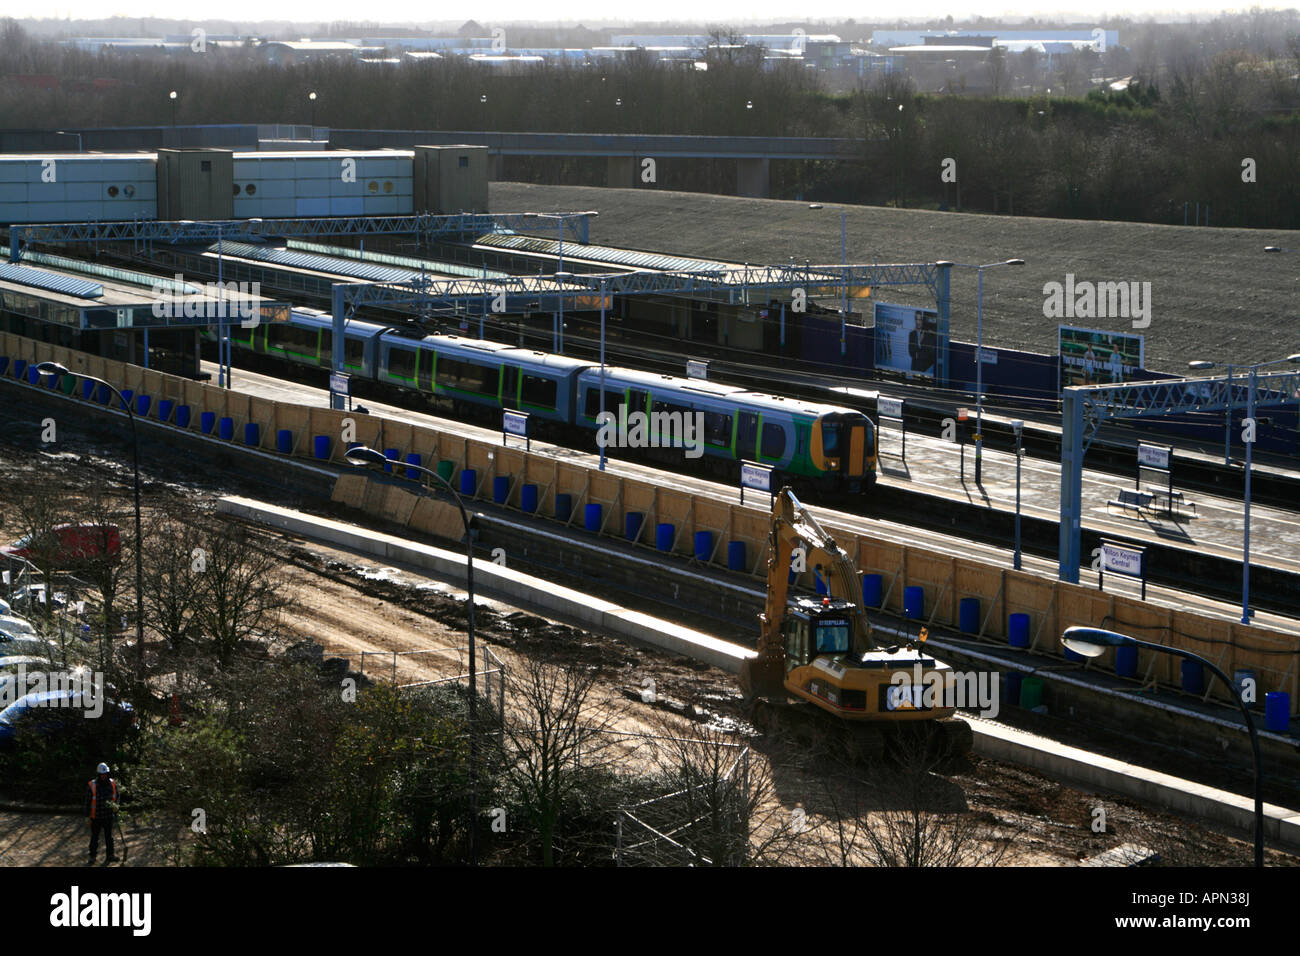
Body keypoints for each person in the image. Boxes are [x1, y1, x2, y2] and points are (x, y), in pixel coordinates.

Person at [85, 762, 118, 865]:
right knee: (95, 837)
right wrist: (87, 816)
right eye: (102, 774)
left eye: (105, 774)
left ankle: (110, 855)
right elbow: (87, 801)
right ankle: (92, 856)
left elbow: (117, 796)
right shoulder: (92, 785)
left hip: (108, 816)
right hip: (96, 817)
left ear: (108, 773)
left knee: (109, 837)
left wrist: (116, 806)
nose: (104, 776)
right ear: (98, 774)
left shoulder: (112, 783)